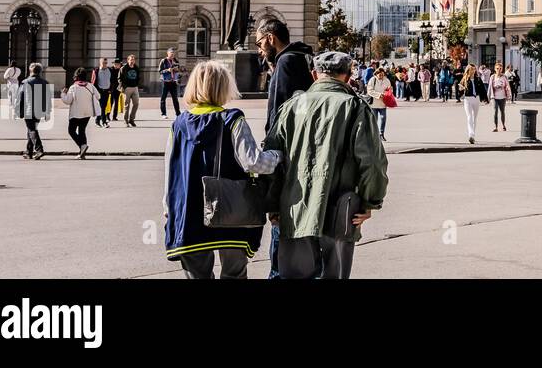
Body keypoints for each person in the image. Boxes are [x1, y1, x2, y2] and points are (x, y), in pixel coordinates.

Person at [263, 51, 389, 280]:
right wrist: (370, 201)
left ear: (314, 74)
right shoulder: (355, 107)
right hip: (340, 210)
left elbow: (271, 160)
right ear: (349, 76)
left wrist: (273, 206)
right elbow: (371, 162)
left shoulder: (291, 107)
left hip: (293, 209)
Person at [163, 61, 281, 278]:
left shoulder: (178, 123)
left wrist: (168, 205)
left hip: (188, 208)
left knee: (197, 274)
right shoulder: (232, 119)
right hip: (230, 207)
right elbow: (253, 162)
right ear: (223, 87)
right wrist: (277, 156)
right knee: (234, 273)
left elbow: (170, 170)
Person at [255, 15, 314, 279]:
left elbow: (279, 114)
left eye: (259, 44)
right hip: (303, 152)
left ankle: (277, 274)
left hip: (287, 156)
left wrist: (270, 150)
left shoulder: (286, 63)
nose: (259, 50)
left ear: (271, 38)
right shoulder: (301, 58)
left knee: (279, 220)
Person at [61, 67, 100, 158]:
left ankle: (82, 146)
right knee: (82, 130)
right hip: (87, 113)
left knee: (71, 131)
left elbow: (68, 101)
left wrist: (63, 94)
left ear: (76, 77)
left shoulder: (73, 87)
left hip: (76, 113)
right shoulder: (90, 85)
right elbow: (98, 96)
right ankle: (82, 153)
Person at [17, 63, 51, 160]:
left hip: (29, 109)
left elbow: (20, 98)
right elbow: (48, 98)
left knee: (32, 130)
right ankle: (29, 152)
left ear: (30, 71)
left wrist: (19, 111)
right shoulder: (45, 82)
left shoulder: (25, 82)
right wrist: (48, 111)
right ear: (40, 71)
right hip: (40, 110)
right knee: (31, 130)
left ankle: (39, 149)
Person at [458, 64, 486, 144]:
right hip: (468, 99)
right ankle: (471, 134)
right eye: (471, 69)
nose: (473, 71)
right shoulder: (465, 79)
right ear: (468, 70)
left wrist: (485, 99)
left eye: (474, 69)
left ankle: (473, 135)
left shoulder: (478, 79)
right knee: (469, 116)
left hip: (476, 99)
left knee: (474, 118)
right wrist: (460, 90)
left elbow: (482, 90)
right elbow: (460, 90)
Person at [366, 66, 392, 140]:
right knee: (374, 120)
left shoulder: (387, 80)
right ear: (376, 74)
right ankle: (374, 135)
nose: (381, 76)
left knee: (383, 119)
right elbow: (369, 91)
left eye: (382, 74)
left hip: (383, 103)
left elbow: (389, 90)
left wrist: (388, 92)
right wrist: (379, 95)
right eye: (380, 75)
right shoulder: (372, 80)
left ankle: (381, 134)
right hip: (374, 103)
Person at [487, 62, 512, 132]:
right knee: (495, 111)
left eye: (500, 68)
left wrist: (509, 95)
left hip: (503, 97)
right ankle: (495, 127)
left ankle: (503, 125)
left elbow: (507, 86)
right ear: (495, 69)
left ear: (502, 69)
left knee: (502, 112)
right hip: (494, 97)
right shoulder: (492, 77)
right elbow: (489, 87)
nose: (499, 70)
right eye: (497, 68)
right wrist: (488, 97)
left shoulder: (504, 77)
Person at [119, 54, 141, 126]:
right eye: (131, 59)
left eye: (133, 60)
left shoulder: (136, 68)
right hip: (127, 88)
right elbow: (119, 78)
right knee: (127, 105)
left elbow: (138, 77)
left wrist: (137, 85)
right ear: (128, 60)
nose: (132, 61)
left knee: (136, 104)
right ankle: (125, 120)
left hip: (135, 88)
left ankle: (131, 119)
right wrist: (122, 86)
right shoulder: (123, 68)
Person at [159, 49, 182, 119]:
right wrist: (167, 70)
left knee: (175, 98)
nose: (172, 55)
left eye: (173, 54)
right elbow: (160, 71)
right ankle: (163, 113)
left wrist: (176, 70)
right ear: (167, 54)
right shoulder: (164, 61)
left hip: (173, 81)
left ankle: (178, 113)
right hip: (165, 81)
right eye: (171, 53)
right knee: (163, 98)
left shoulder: (175, 61)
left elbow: (178, 69)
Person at [93, 59, 113, 128]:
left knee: (103, 107)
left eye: (106, 63)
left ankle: (97, 121)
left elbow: (112, 80)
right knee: (102, 107)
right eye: (103, 63)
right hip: (100, 91)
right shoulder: (96, 70)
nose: (105, 64)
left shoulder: (110, 70)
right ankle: (104, 122)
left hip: (107, 91)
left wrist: (111, 89)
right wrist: (96, 91)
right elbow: (93, 81)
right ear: (100, 63)